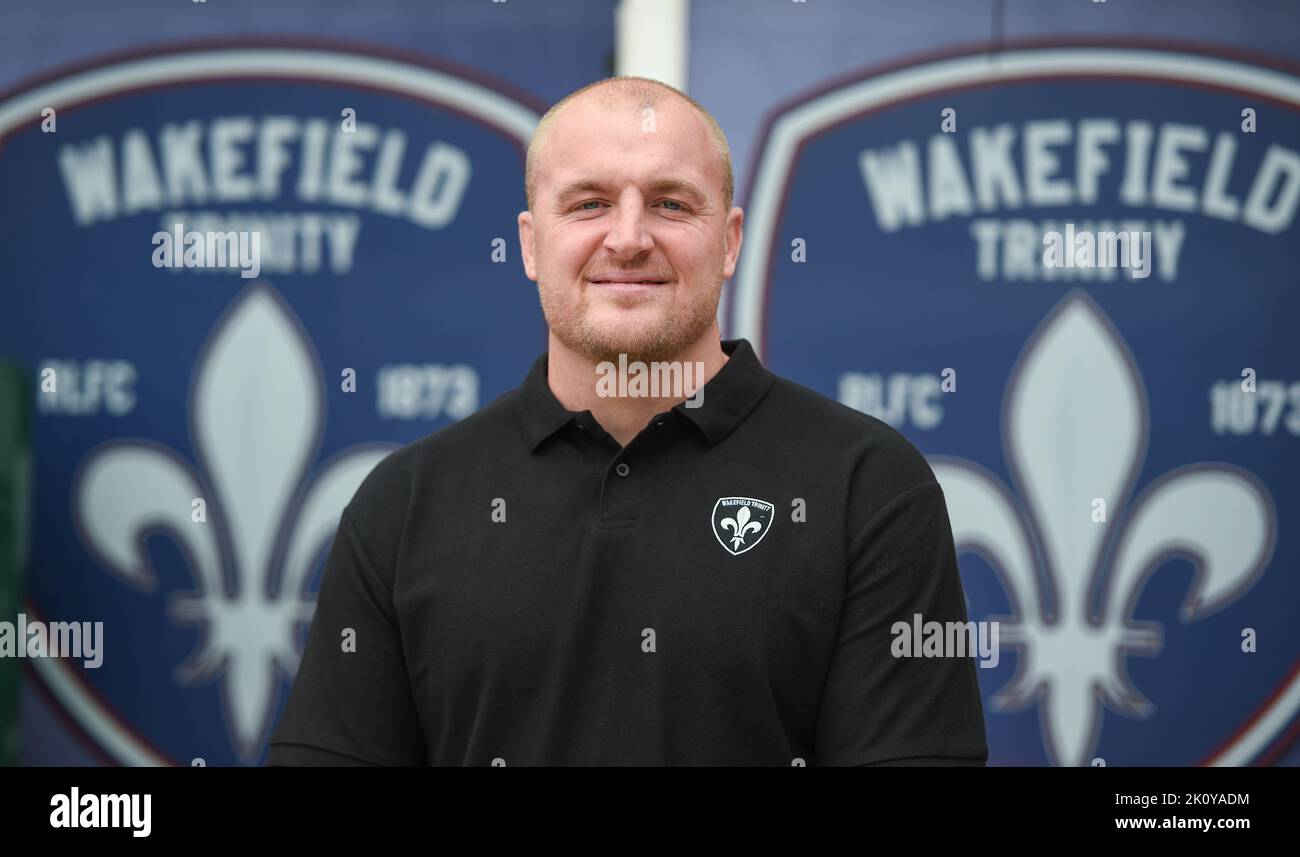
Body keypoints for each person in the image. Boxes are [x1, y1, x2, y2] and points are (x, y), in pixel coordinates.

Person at [267, 76, 988, 766]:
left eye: (672, 204)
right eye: (588, 204)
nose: (629, 237)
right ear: (528, 242)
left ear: (730, 240)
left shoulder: (872, 489)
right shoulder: (403, 505)